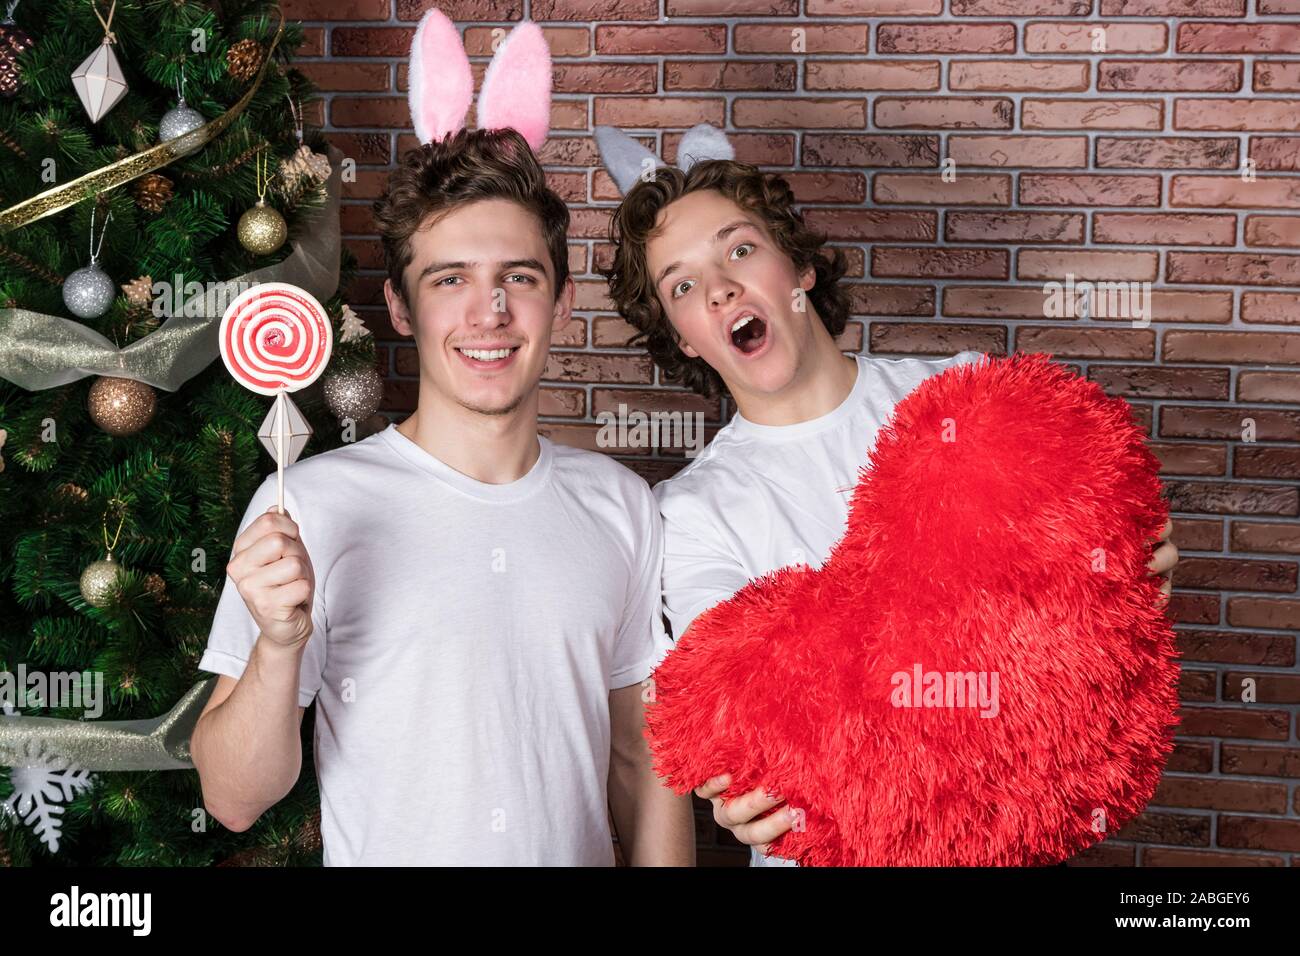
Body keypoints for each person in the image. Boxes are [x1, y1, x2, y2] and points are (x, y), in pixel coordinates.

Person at [603, 158, 1180, 867]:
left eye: (740, 248)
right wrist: (752, 772)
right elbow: (753, 714)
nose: (721, 287)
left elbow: (1075, 604)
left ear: (800, 270)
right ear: (685, 337)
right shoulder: (690, 514)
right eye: (684, 285)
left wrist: (1121, 578)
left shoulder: (965, 400)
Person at [190, 126, 694, 866]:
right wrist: (278, 644)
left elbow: (640, 760)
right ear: (401, 308)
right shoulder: (308, 506)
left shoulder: (621, 505)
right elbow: (233, 799)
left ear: (562, 303)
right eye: (450, 279)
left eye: (519, 277)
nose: (488, 312)